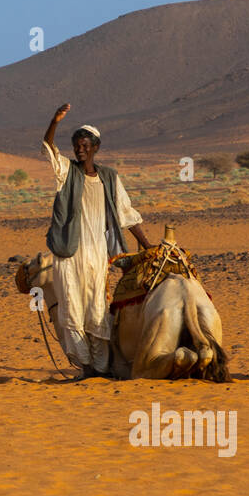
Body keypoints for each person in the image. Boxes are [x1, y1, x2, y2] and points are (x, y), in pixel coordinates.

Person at [43, 103, 152, 378]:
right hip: (69, 255)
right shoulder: (67, 172)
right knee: (72, 306)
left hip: (98, 255)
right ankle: (86, 367)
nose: (80, 150)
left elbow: (127, 213)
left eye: (84, 145)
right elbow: (48, 146)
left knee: (97, 308)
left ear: (95, 148)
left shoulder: (109, 178)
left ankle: (101, 367)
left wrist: (147, 245)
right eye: (76, 145)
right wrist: (55, 121)